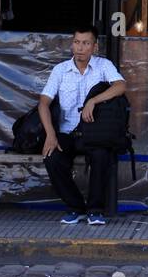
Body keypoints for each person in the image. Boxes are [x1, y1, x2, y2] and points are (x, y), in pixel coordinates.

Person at [38, 26, 127, 226]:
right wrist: (50, 134)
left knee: (102, 155)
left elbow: (121, 86)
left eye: (86, 43)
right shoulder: (60, 70)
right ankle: (76, 207)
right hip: (67, 132)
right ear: (72, 44)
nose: (80, 48)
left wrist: (93, 100)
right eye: (77, 42)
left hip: (93, 132)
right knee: (52, 157)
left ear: (94, 47)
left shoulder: (103, 65)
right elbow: (43, 103)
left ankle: (95, 210)